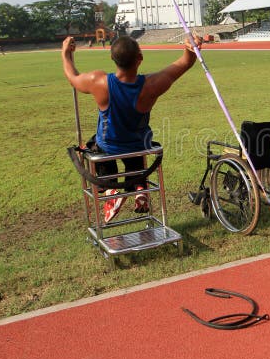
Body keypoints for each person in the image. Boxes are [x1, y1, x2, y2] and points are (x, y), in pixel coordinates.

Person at [62, 33, 203, 221]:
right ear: (140, 59)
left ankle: (111, 188)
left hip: (109, 146)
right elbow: (184, 63)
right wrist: (190, 47)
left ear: (112, 58)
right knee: (136, 147)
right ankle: (138, 187)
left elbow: (73, 77)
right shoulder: (152, 85)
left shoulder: (99, 81)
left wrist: (66, 53)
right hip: (138, 146)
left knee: (96, 145)